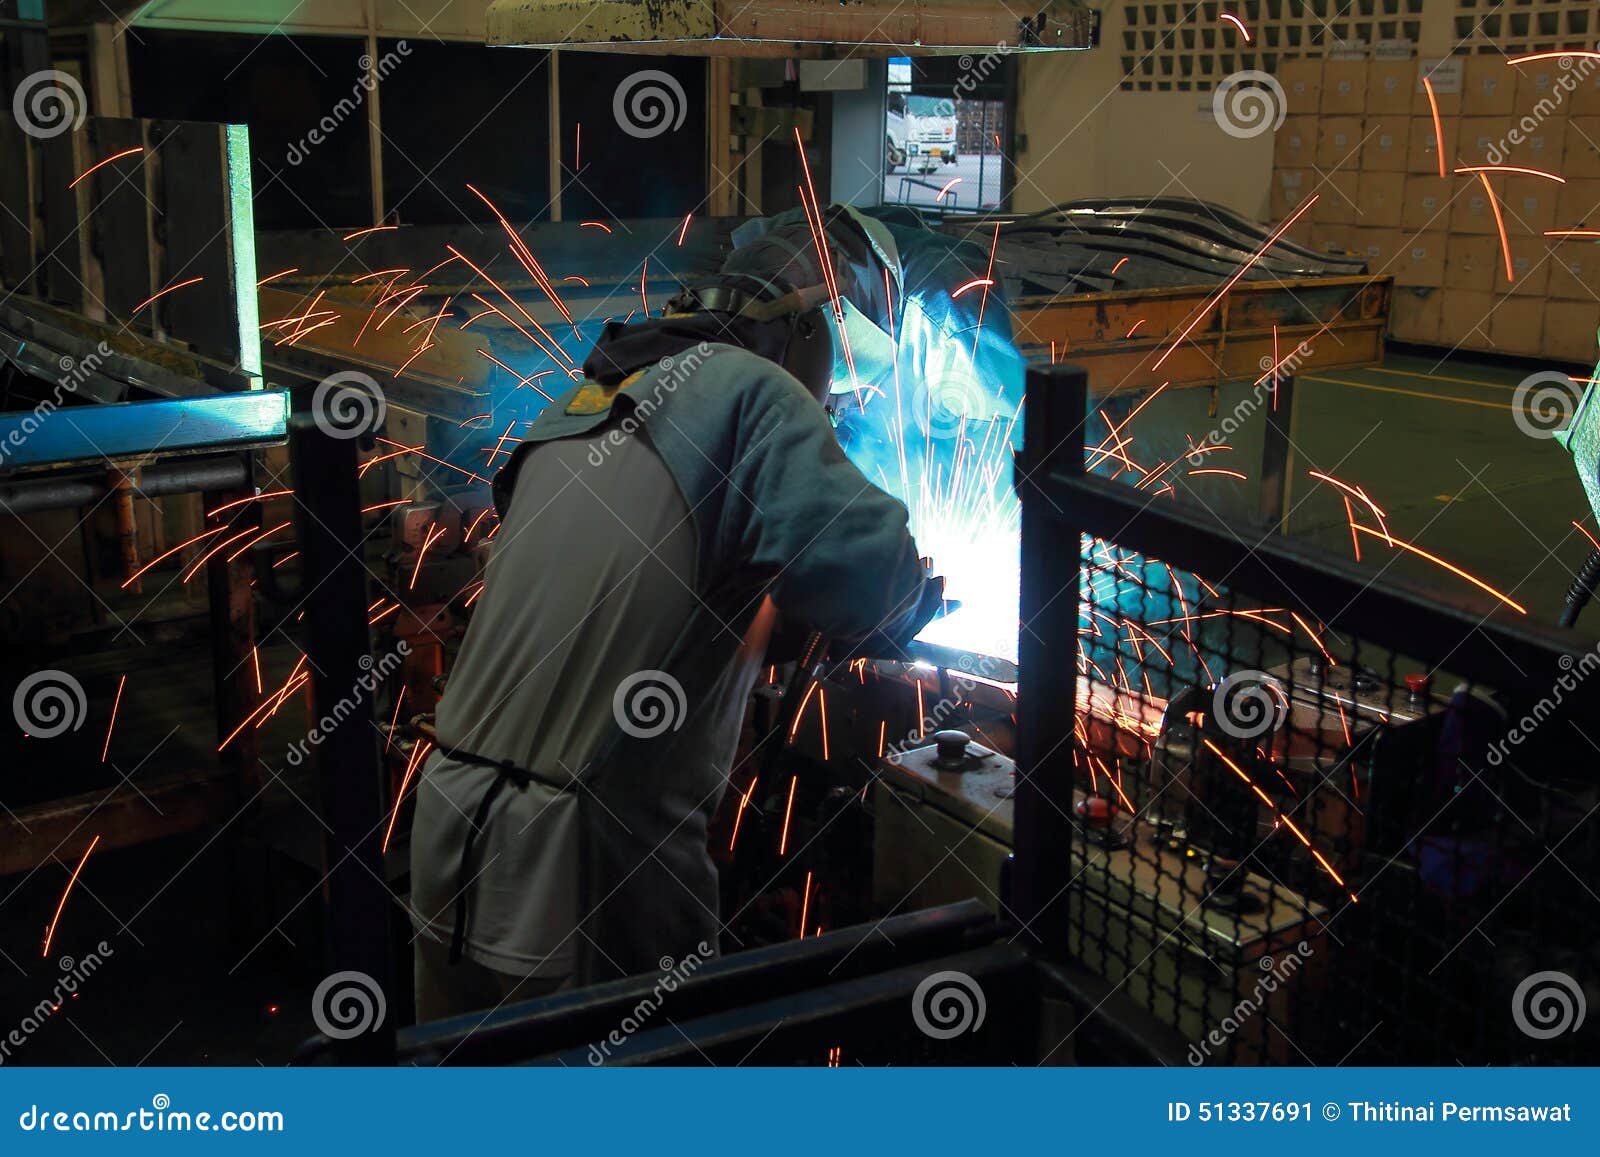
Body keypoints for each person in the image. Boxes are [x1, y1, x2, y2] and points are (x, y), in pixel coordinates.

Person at [408, 219, 943, 1021]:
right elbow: (868, 566)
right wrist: (907, 601)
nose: (831, 404)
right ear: (808, 331)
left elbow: (635, 591)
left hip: (446, 830)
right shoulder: (753, 394)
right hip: (582, 863)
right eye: (835, 383)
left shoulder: (584, 402)